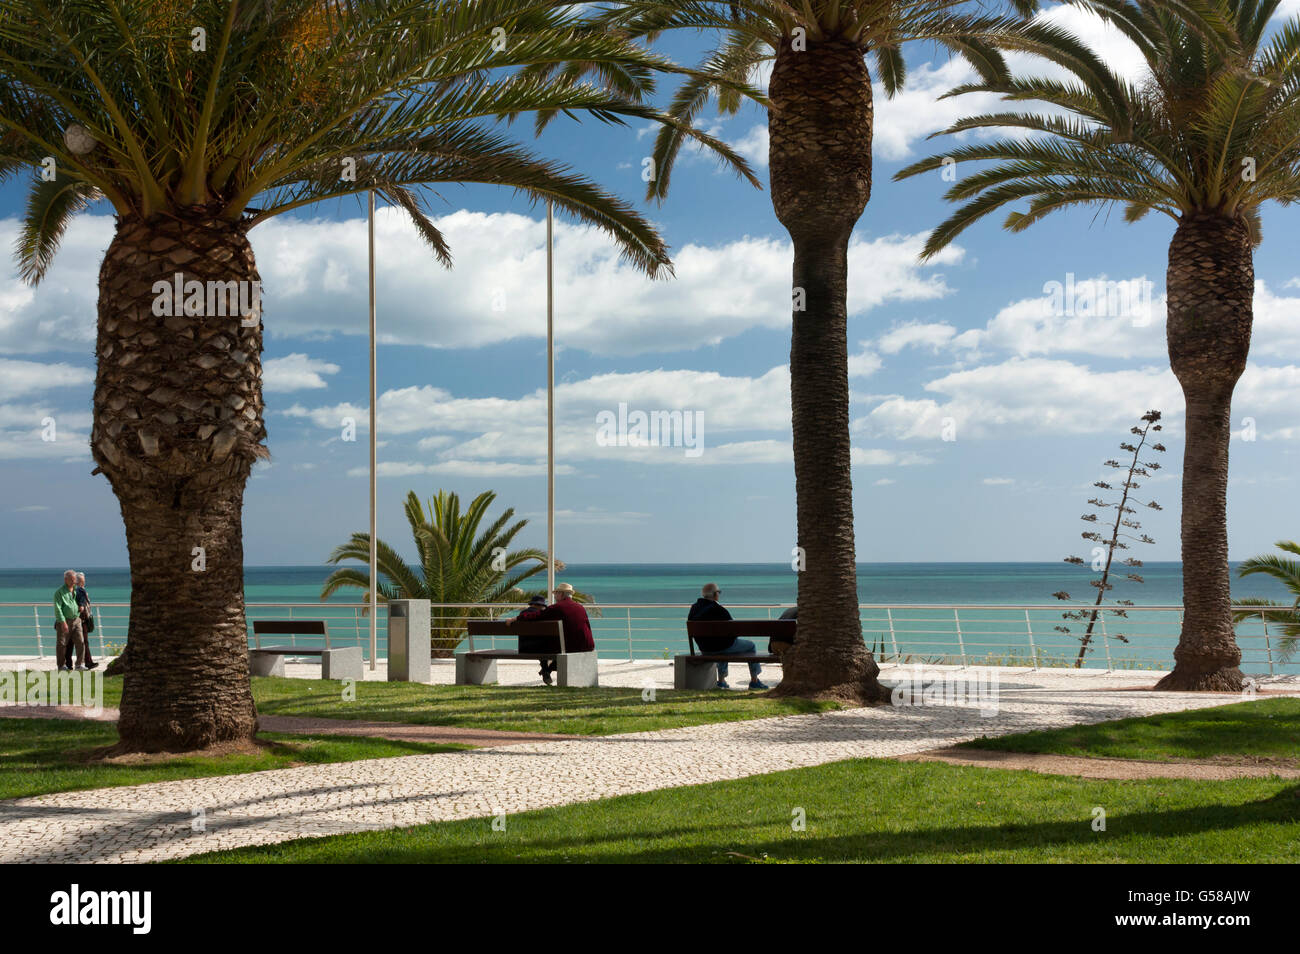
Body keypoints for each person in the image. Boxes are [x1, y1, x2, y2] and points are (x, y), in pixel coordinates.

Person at [687, 582, 766, 690]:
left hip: (705, 649)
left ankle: (722, 681)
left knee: (722, 645)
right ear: (715, 594)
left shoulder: (694, 608)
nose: (719, 595)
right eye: (718, 592)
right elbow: (733, 630)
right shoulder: (719, 609)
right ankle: (754, 681)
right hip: (721, 647)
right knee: (750, 646)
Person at [515, 594, 557, 684]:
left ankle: (546, 670)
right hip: (541, 648)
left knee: (538, 644)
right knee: (546, 646)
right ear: (541, 606)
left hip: (523, 648)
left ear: (531, 604)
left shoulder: (522, 614)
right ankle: (547, 669)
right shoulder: (542, 615)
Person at [53, 570, 86, 672]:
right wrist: (63, 622)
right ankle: (61, 666)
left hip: (77, 619)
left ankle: (79, 664)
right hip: (65, 621)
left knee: (80, 642)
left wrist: (82, 605)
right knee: (62, 644)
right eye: (71, 579)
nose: (73, 581)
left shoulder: (77, 590)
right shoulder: (59, 592)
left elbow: (83, 598)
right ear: (65, 580)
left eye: (74, 579)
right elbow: (57, 608)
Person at [65, 572, 98, 671]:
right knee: (82, 642)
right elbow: (82, 605)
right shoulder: (80, 591)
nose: (84, 583)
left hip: (72, 620)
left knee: (71, 643)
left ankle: (69, 664)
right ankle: (86, 663)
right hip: (80, 620)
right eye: (83, 581)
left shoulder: (70, 590)